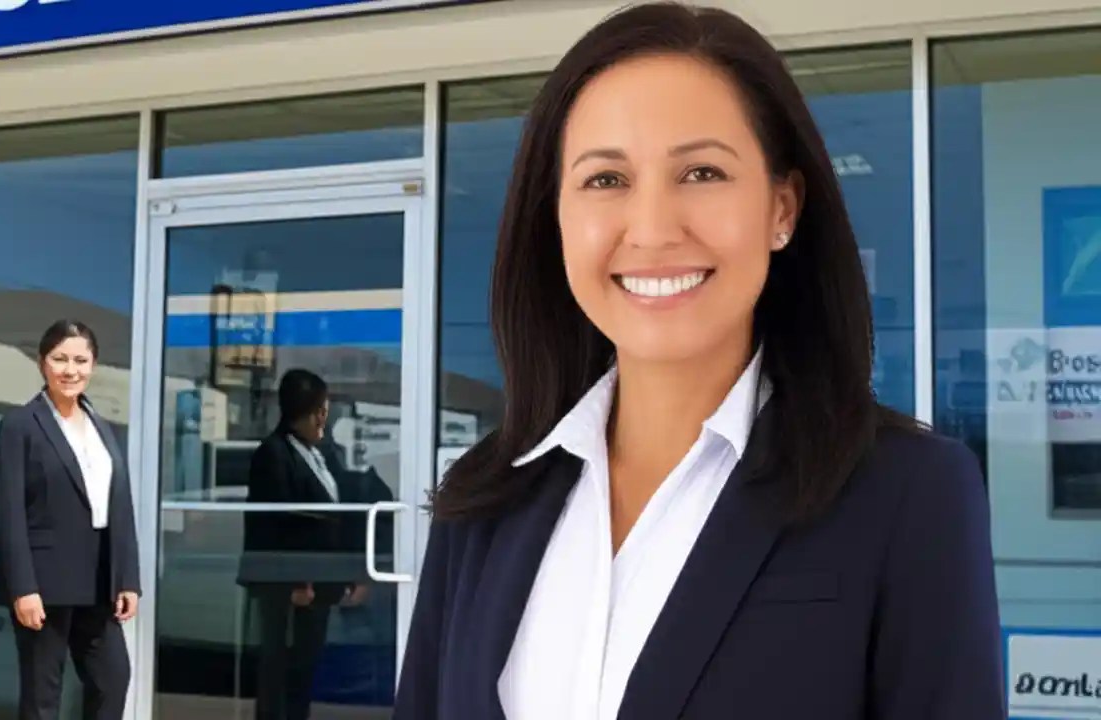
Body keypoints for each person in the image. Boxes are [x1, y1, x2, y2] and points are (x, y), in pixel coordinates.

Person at [394, 3, 1003, 720]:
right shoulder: (486, 496)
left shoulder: (910, 492)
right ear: (555, 217)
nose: (652, 229)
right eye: (605, 180)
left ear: (782, 207)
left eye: (703, 172)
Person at [0, 319, 140, 720]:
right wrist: (22, 587)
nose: (70, 370)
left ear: (93, 365)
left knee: (113, 679)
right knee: (43, 697)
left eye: (80, 360)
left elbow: (119, 505)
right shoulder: (20, 425)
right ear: (42, 364)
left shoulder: (103, 428)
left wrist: (127, 577)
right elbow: (8, 512)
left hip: (99, 582)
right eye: (59, 359)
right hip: (43, 583)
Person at [243, 368, 366, 720]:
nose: (323, 418)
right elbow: (273, 525)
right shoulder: (274, 453)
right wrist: (293, 582)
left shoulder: (320, 453)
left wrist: (350, 571)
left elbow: (335, 514)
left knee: (303, 670)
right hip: (291, 586)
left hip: (319, 580)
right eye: (319, 409)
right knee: (279, 671)